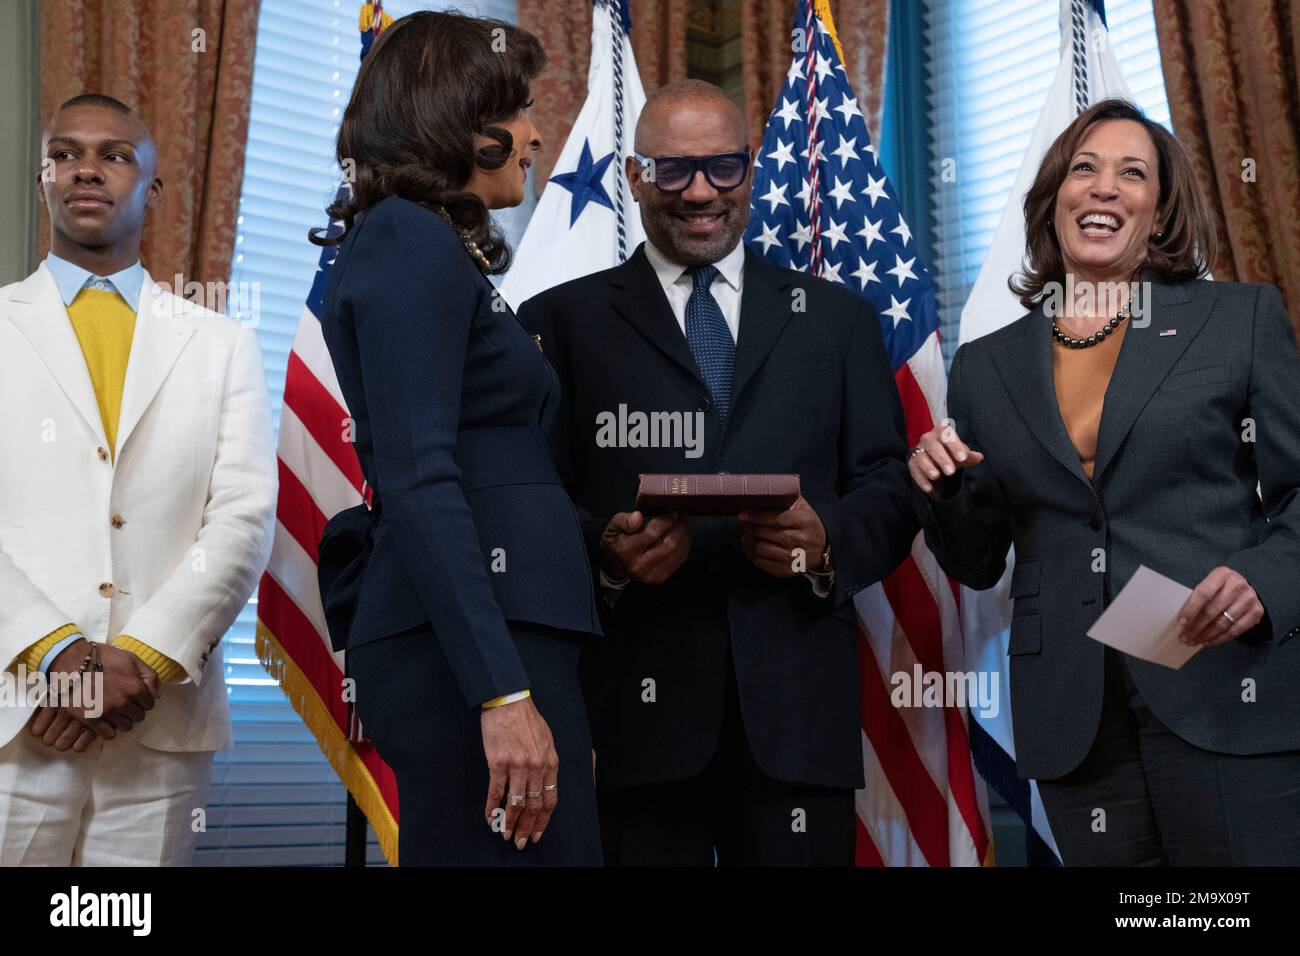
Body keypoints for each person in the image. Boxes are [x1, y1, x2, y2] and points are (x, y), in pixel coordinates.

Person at [518, 79, 918, 866]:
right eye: (673, 171)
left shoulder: (837, 321)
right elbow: (530, 502)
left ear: (753, 171)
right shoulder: (557, 322)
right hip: (632, 720)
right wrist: (604, 551)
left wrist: (826, 540)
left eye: (723, 168)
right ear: (635, 177)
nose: (700, 192)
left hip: (797, 723)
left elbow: (890, 485)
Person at [909, 98, 1300, 865]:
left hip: (1220, 682)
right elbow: (980, 558)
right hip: (1073, 712)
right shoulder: (987, 364)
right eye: (1083, 169)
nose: (1104, 188)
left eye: (1132, 173)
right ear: (1054, 198)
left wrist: (1263, 580)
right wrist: (945, 491)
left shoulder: (1239, 320)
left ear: (1159, 211)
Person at [314, 11, 603, 866]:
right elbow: (421, 481)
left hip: (497, 632)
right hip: (471, 649)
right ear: (458, 123)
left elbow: (488, 465)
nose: (536, 134)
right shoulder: (408, 239)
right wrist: (502, 690)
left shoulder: (427, 243)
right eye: (516, 113)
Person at [0, 94, 277, 865]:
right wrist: (57, 654)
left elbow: (244, 518)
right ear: (43, 179)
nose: (87, 168)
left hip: (159, 727)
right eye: (66, 153)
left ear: (154, 189)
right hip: (17, 721)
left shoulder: (222, 344)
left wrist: (140, 662)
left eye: (115, 154)